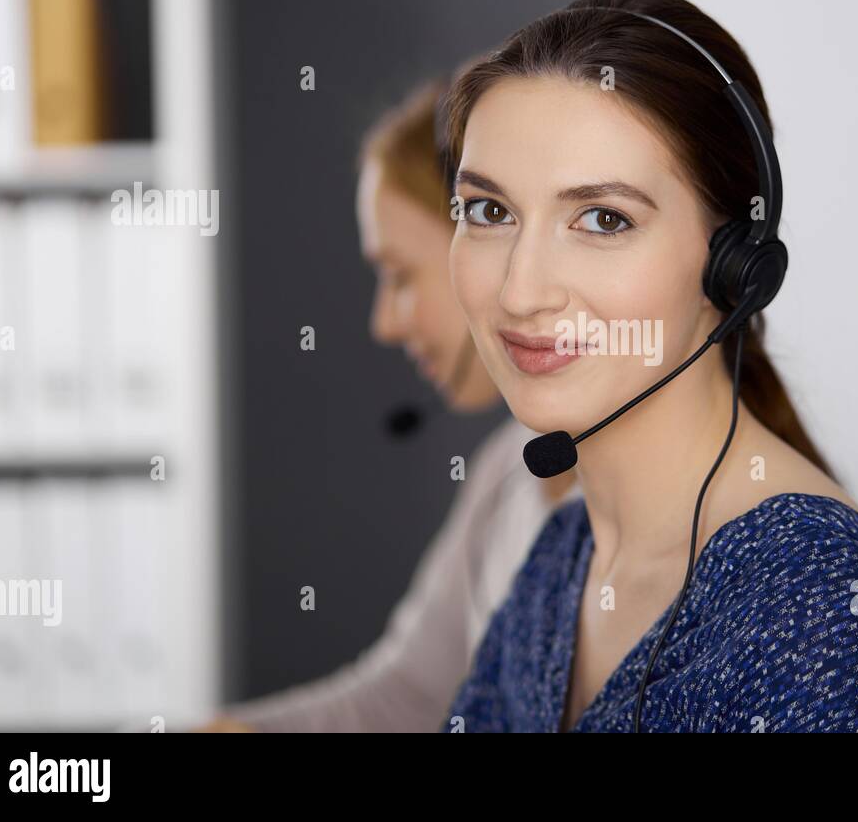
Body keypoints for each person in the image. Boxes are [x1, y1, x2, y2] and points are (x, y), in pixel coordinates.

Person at [440, 0, 858, 732]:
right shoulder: (565, 557)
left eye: (601, 218)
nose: (521, 291)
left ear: (735, 265)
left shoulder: (812, 593)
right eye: (490, 211)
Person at [203, 81, 578, 733]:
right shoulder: (511, 468)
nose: (383, 322)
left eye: (400, 274)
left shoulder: (649, 503)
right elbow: (407, 696)